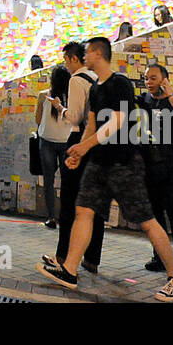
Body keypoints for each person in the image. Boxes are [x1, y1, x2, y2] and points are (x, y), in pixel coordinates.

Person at [46, 37, 173, 301]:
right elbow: (91, 123)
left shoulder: (120, 83)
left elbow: (118, 121)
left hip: (123, 162)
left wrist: (86, 145)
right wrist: (80, 151)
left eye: (87, 52)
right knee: (84, 210)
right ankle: (69, 270)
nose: (83, 56)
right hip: (99, 162)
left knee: (146, 220)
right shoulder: (95, 87)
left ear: (98, 53)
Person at [39, 41, 104, 276]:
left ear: (74, 59)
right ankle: (92, 259)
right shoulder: (97, 78)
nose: (66, 65)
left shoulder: (77, 79)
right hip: (96, 145)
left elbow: (75, 118)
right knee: (92, 205)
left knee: (69, 202)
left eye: (66, 60)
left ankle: (62, 256)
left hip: (78, 142)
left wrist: (60, 107)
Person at [138, 63, 173, 280]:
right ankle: (159, 257)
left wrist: (170, 95)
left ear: (164, 80)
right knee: (155, 215)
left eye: (153, 78)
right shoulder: (145, 100)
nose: (149, 82)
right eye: (146, 78)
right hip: (150, 165)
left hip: (171, 164)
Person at [35, 64, 74, 228]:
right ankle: (67, 217)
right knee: (67, 181)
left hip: (47, 142)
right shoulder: (71, 98)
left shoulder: (44, 95)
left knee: (48, 181)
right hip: (66, 142)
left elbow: (37, 120)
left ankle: (51, 216)